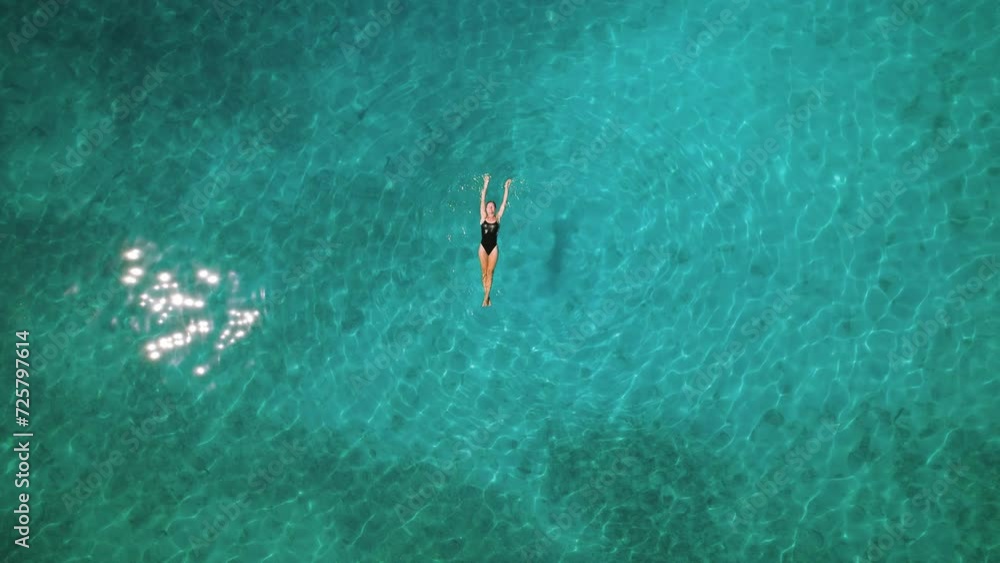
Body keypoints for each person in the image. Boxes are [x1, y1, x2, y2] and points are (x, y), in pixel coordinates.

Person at [478, 174, 510, 307]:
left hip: (493, 249)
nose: (490, 208)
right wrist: (486, 184)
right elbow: (483, 198)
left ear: (494, 209)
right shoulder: (483, 217)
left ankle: (485, 298)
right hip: (483, 248)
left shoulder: (498, 218)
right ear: (486, 208)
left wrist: (506, 188)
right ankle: (487, 296)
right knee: (484, 272)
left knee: (490, 272)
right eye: (488, 206)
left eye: (492, 207)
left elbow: (504, 204)